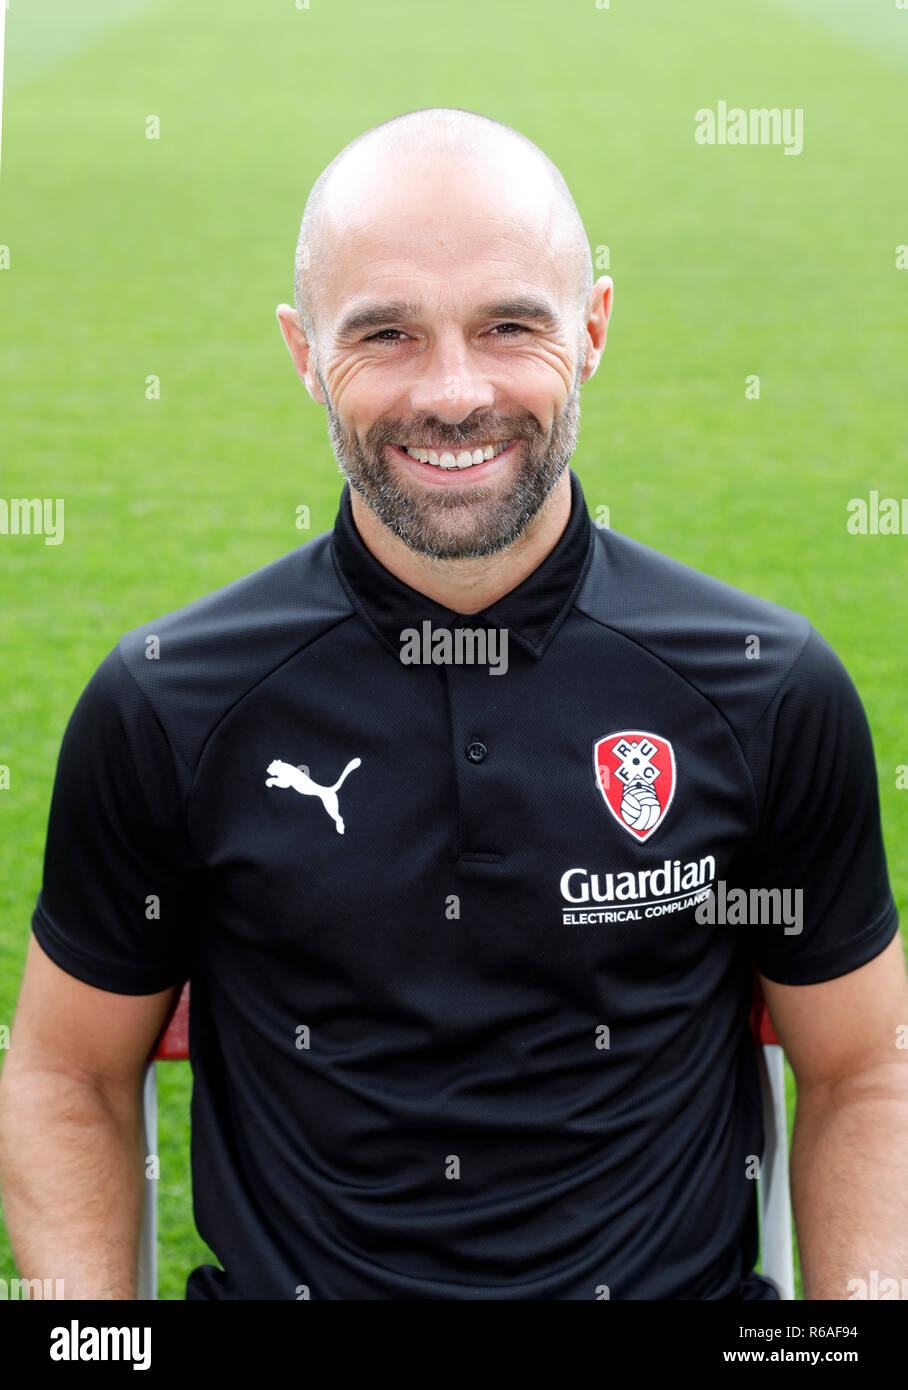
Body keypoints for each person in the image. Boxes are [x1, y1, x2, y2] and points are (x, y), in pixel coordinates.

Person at [1, 107, 906, 1301]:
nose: (452, 391)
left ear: (590, 332)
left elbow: (861, 1074)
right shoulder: (169, 704)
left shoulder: (763, 684)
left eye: (508, 325)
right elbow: (66, 1075)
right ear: (300, 351)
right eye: (383, 332)